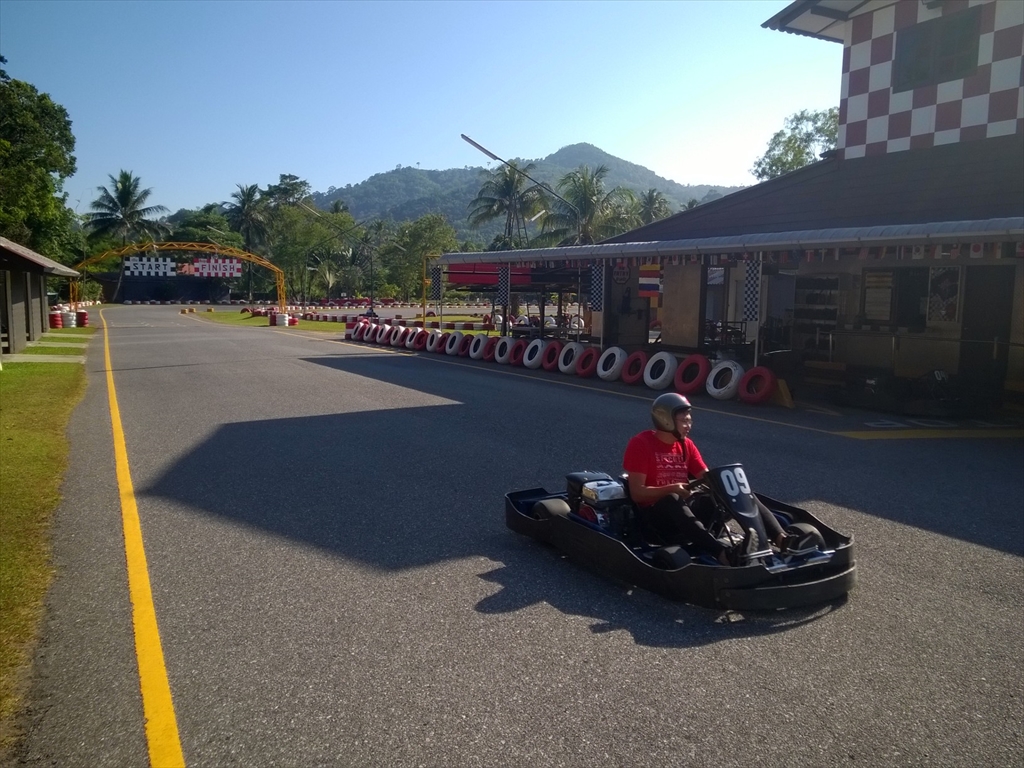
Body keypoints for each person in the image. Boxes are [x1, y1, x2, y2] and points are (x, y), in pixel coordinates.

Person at [622, 393, 786, 564]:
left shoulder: (686, 445)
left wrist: (727, 491)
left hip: (684, 510)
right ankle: (722, 554)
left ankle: (781, 538)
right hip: (655, 520)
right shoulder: (641, 444)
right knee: (672, 498)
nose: (689, 425)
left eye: (690, 420)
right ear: (666, 420)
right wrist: (671, 488)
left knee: (736, 490)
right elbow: (637, 494)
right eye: (684, 421)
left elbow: (708, 477)